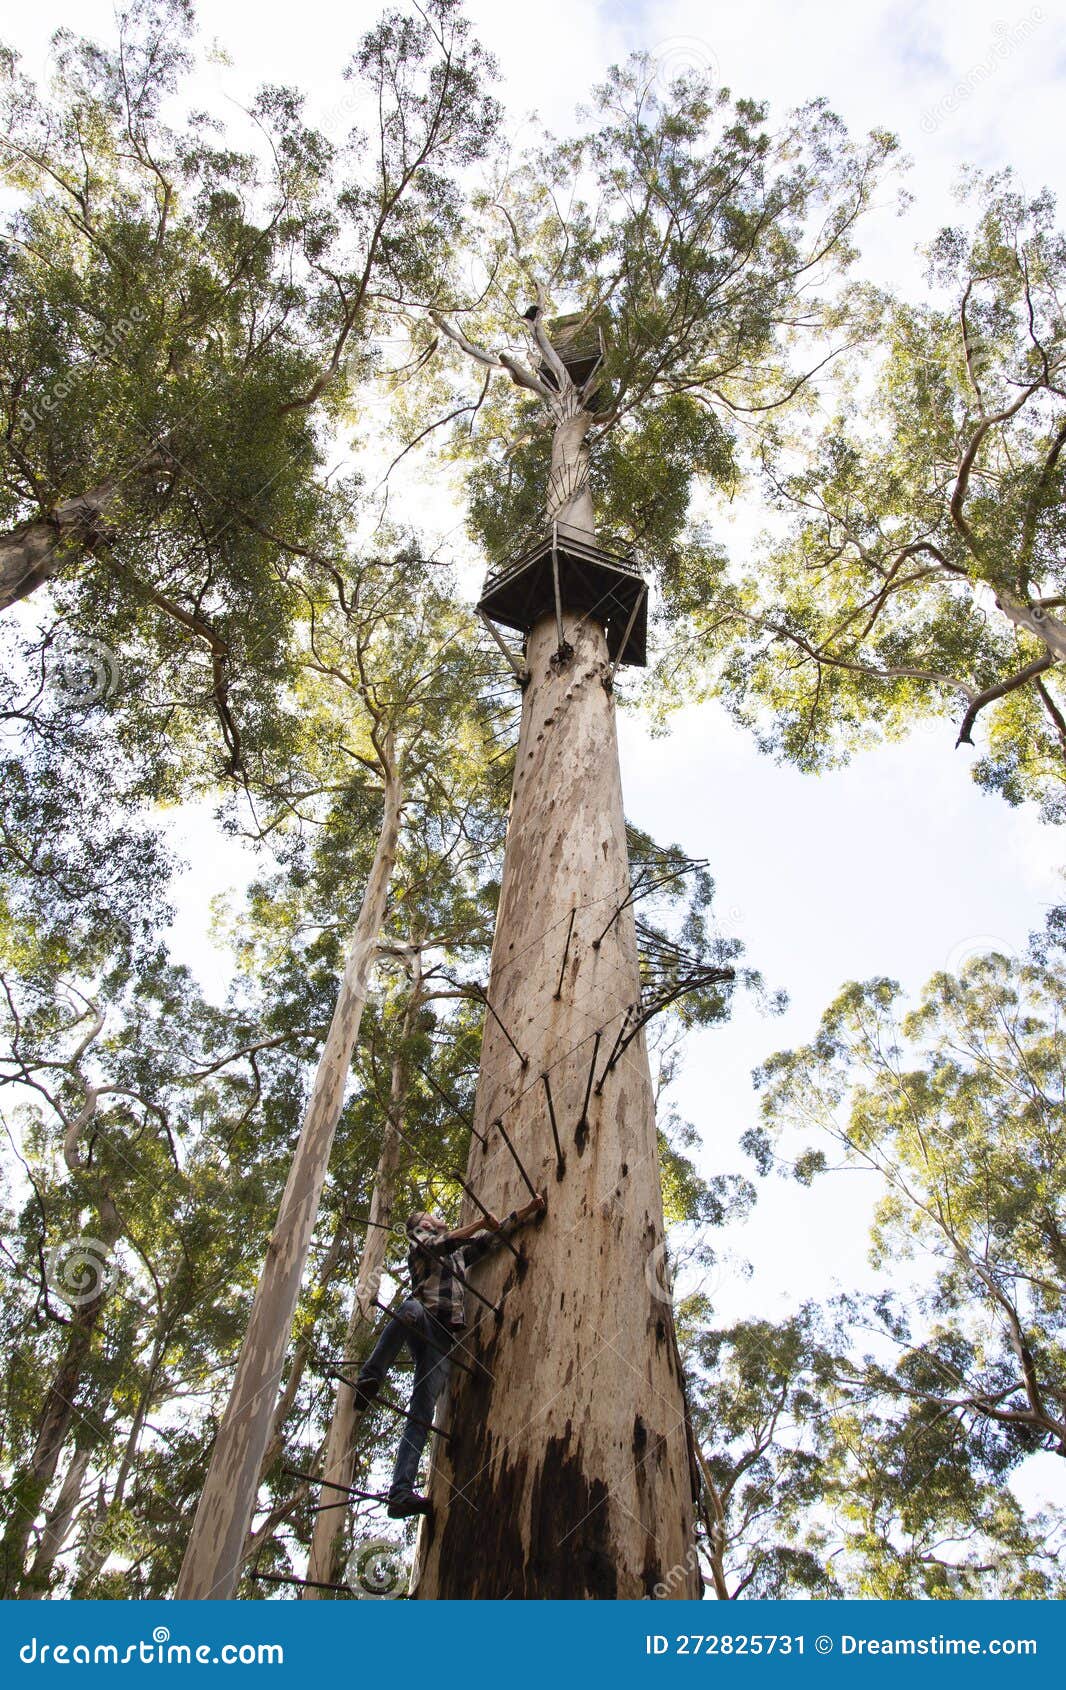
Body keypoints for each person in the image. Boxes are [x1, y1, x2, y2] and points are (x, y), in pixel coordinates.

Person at [354, 1193, 547, 1518]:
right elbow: (440, 1245)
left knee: (421, 1413)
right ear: (420, 1227)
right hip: (423, 1318)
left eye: (430, 1217)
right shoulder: (419, 1240)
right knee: (409, 1310)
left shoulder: (458, 1255)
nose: (430, 1218)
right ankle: (370, 1377)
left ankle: (399, 1493)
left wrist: (527, 1209)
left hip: (443, 1341)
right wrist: (478, 1223)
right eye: (425, 1218)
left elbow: (491, 1240)